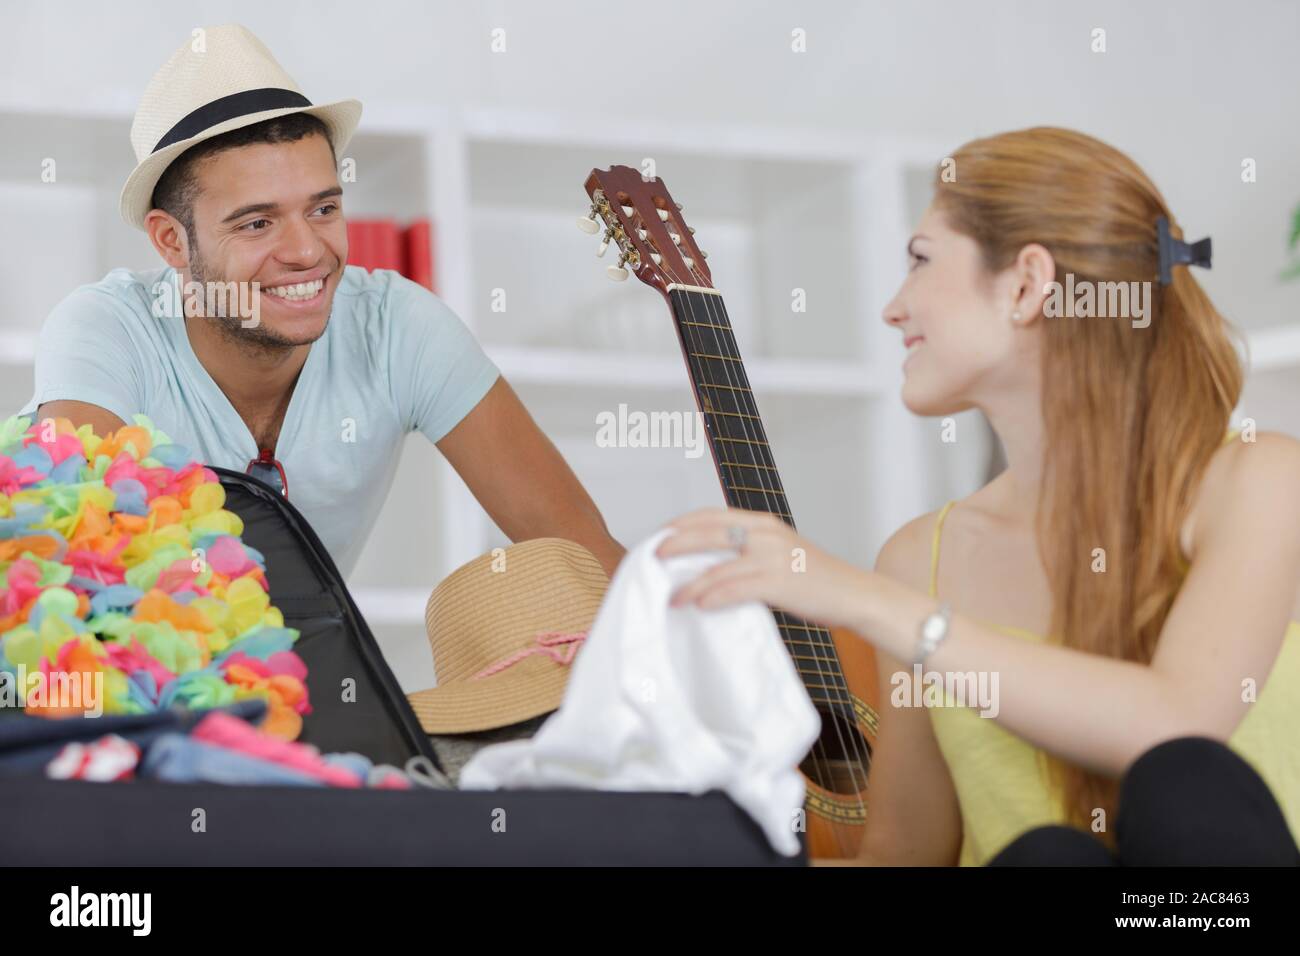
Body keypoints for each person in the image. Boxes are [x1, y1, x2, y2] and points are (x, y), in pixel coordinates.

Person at [657, 127, 1300, 866]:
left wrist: (864, 603)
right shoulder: (917, 562)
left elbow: (1177, 724)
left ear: (1025, 285)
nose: (894, 309)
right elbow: (904, 852)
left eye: (921, 261)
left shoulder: (1255, 480)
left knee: (1186, 783)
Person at [20, 24, 625, 580]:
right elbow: (81, 566)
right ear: (171, 240)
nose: (307, 251)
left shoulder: (398, 326)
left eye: (324, 209)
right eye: (257, 223)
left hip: (298, 684)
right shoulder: (104, 327)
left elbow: (588, 561)